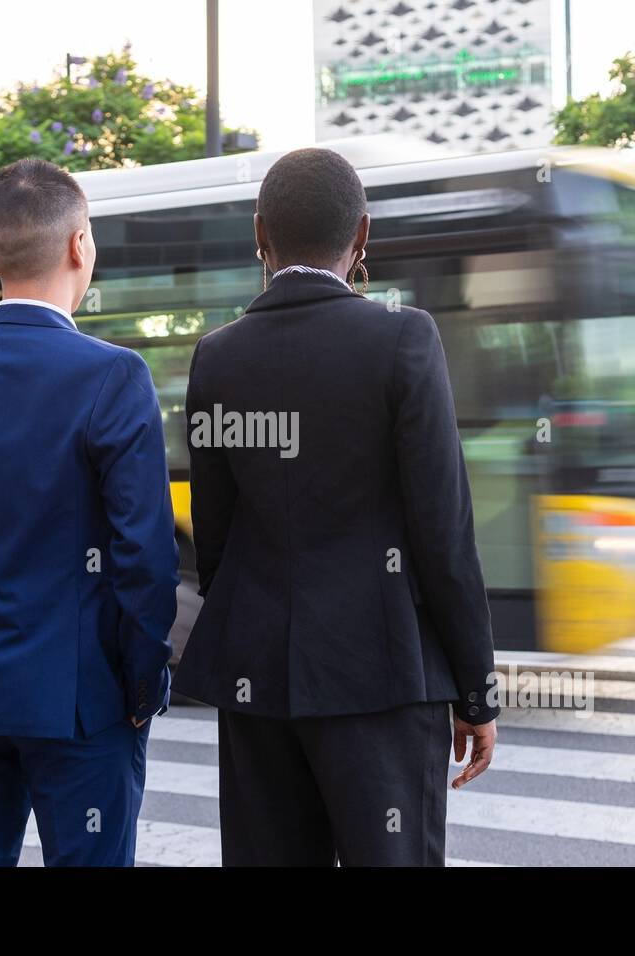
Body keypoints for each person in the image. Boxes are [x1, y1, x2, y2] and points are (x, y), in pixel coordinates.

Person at [172, 147, 499, 866]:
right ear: (363, 236)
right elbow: (444, 534)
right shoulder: (401, 338)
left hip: (257, 685)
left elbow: (217, 536)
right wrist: (477, 692)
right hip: (382, 678)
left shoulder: (216, 356)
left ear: (261, 233)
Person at [0, 158, 178, 867]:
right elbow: (143, 553)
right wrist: (143, 684)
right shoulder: (114, 375)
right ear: (81, 245)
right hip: (81, 700)